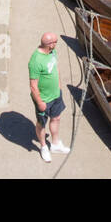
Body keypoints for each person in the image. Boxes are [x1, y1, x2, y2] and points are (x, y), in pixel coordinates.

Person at [29, 32, 70, 162]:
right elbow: (33, 86)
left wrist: (59, 87)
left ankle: (56, 144)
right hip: (44, 99)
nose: (56, 44)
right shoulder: (35, 61)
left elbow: (56, 68)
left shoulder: (52, 53)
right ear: (50, 44)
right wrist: (40, 102)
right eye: (55, 42)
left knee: (56, 118)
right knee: (41, 124)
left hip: (56, 95)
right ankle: (43, 147)